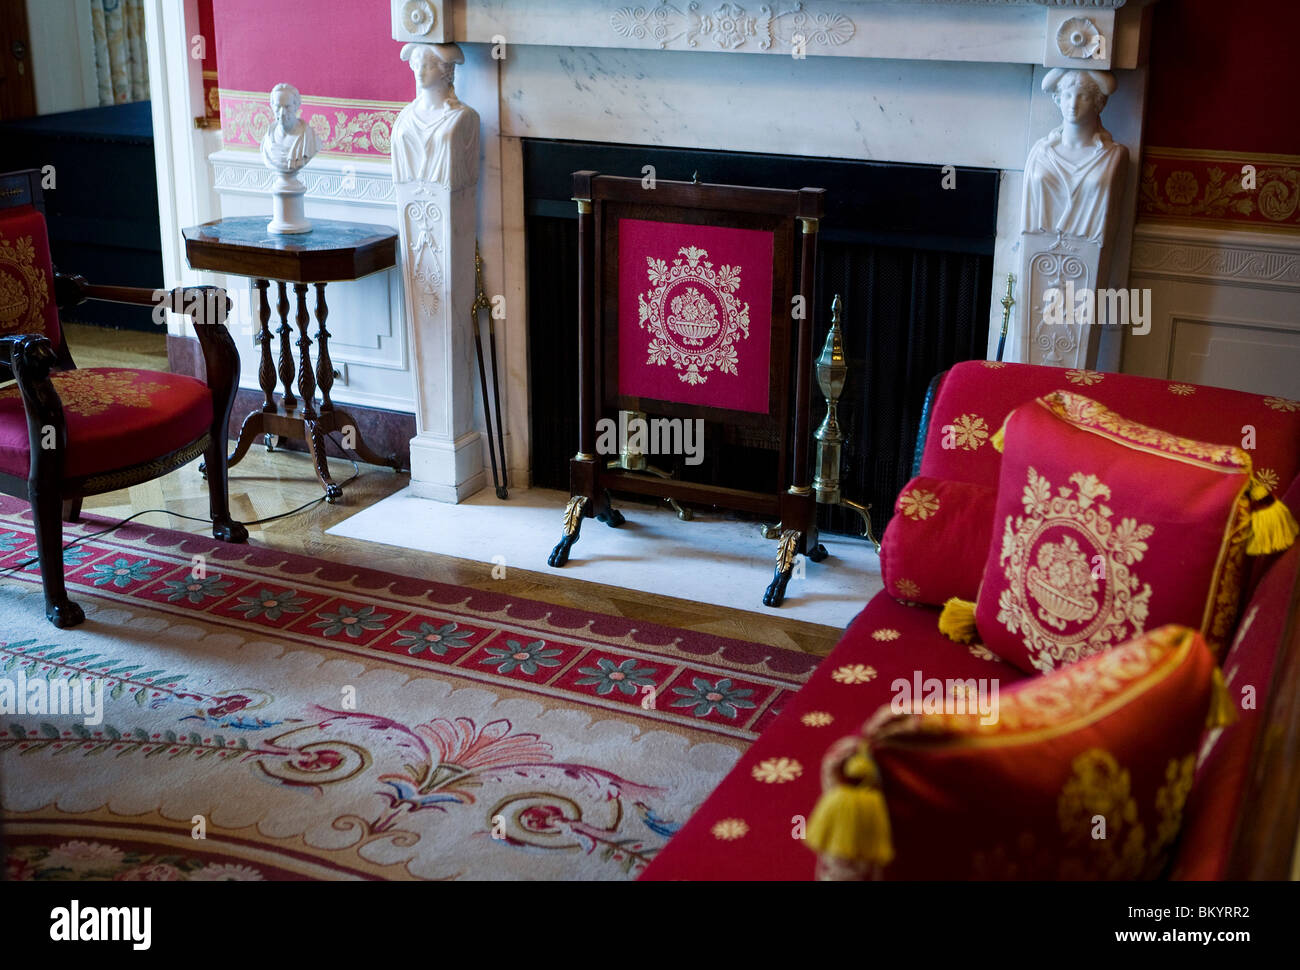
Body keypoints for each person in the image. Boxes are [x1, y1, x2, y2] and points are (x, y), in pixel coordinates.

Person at [1021, 68, 1128, 245]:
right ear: (1058, 99)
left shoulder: (1112, 155)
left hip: (1088, 250)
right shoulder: (1040, 151)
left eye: (1083, 97)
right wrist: (1067, 60)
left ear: (1098, 103)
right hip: (1039, 249)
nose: (1073, 104)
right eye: (1067, 96)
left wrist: (1085, 55)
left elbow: (1109, 86)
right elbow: (1046, 84)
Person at [392, 43, 479, 190]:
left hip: (449, 198)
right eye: (417, 66)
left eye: (428, 66)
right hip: (410, 198)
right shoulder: (406, 117)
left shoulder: (464, 117)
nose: (420, 72)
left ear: (445, 70)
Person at [261, 83, 319, 176]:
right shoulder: (268, 138)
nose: (282, 113)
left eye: (287, 107)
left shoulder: (308, 138)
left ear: (296, 106)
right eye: (278, 106)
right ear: (272, 106)